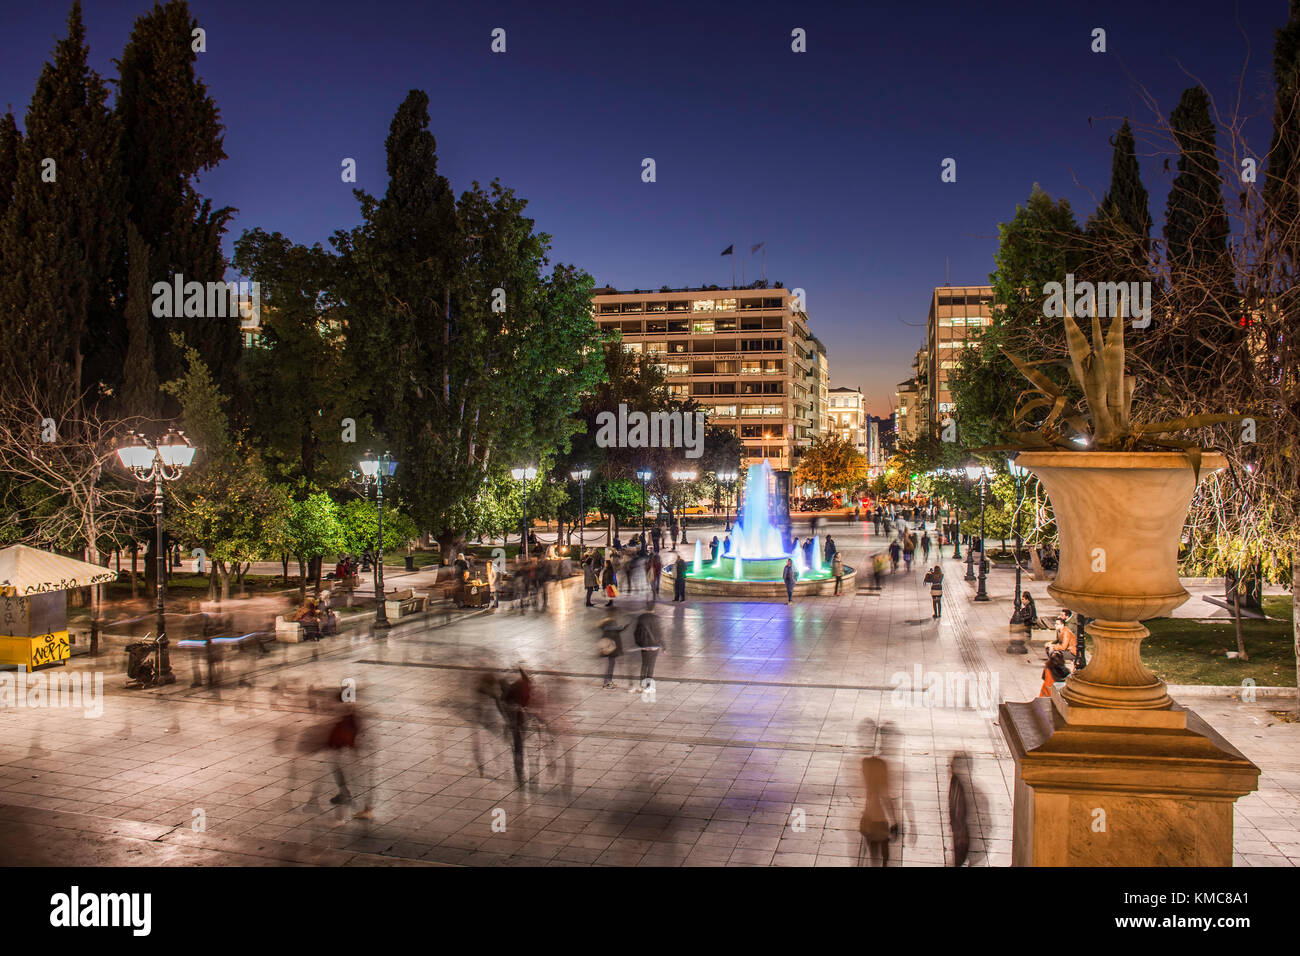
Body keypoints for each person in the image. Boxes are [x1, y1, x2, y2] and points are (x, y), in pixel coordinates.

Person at [632, 607, 662, 691]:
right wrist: (663, 645)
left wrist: (639, 643)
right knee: (651, 666)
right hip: (654, 645)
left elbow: (636, 632)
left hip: (644, 645)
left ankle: (641, 684)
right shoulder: (656, 618)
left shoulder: (641, 618)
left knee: (644, 665)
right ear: (653, 609)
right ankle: (648, 686)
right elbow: (660, 633)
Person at [597, 616, 627, 689]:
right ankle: (607, 683)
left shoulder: (606, 630)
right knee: (610, 666)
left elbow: (619, 629)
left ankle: (608, 681)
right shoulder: (612, 630)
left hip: (609, 651)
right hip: (612, 651)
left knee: (610, 666)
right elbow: (619, 629)